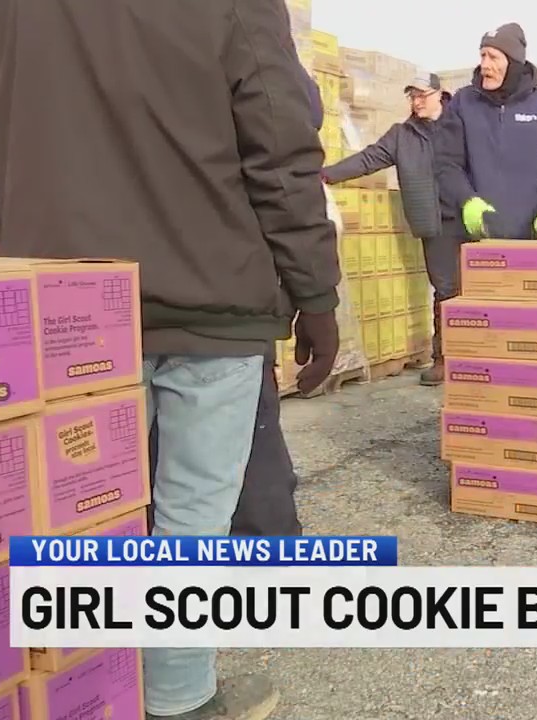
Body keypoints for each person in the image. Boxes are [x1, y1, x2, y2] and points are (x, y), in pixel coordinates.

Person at [0, 1, 342, 718]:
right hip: (209, 300)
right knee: (192, 516)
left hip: (69, 302)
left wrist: (28, 253)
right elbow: (278, 143)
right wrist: (314, 291)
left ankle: (89, 696)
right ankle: (177, 698)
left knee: (82, 518)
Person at [147, 63, 327, 539]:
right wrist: (314, 294)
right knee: (211, 511)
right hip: (216, 303)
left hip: (85, 300)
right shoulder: (233, 23)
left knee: (102, 508)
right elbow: (284, 152)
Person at [321, 73, 454, 385]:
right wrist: (325, 175)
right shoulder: (402, 135)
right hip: (435, 225)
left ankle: (485, 356)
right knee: (446, 292)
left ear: (440, 95)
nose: (416, 101)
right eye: (412, 95)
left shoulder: (461, 126)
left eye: (423, 94)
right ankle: (444, 359)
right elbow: (370, 158)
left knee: (479, 289)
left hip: (469, 218)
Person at [435, 22, 537, 244]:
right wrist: (467, 201)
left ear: (513, 63)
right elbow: (446, 163)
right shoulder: (463, 103)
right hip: (473, 239)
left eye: (493, 57)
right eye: (482, 56)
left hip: (529, 241)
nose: (484, 65)